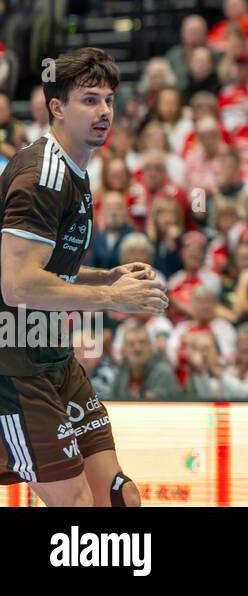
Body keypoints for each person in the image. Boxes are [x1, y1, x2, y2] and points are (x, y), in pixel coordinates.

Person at [0, 48, 169, 506]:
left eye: (109, 100)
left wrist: (107, 273)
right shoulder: (43, 176)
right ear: (56, 107)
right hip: (13, 364)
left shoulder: (75, 165)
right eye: (90, 100)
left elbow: (50, 266)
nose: (104, 112)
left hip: (53, 354)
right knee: (76, 506)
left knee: (119, 495)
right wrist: (112, 295)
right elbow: (16, 285)